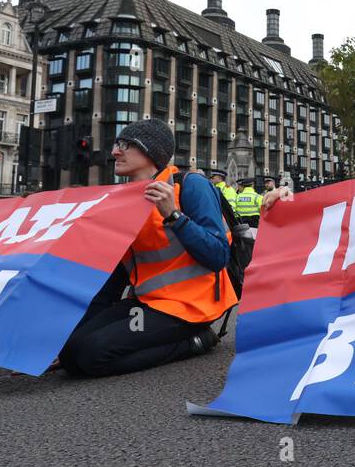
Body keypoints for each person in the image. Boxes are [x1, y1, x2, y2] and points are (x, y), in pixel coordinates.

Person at [58, 119, 235, 378]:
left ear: (151, 151)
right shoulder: (126, 199)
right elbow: (117, 275)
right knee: (69, 354)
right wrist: (77, 329)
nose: (115, 152)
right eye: (117, 144)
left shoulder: (190, 185)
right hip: (148, 303)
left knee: (91, 355)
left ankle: (196, 342)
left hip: (189, 306)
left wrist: (174, 215)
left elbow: (218, 255)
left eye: (126, 145)